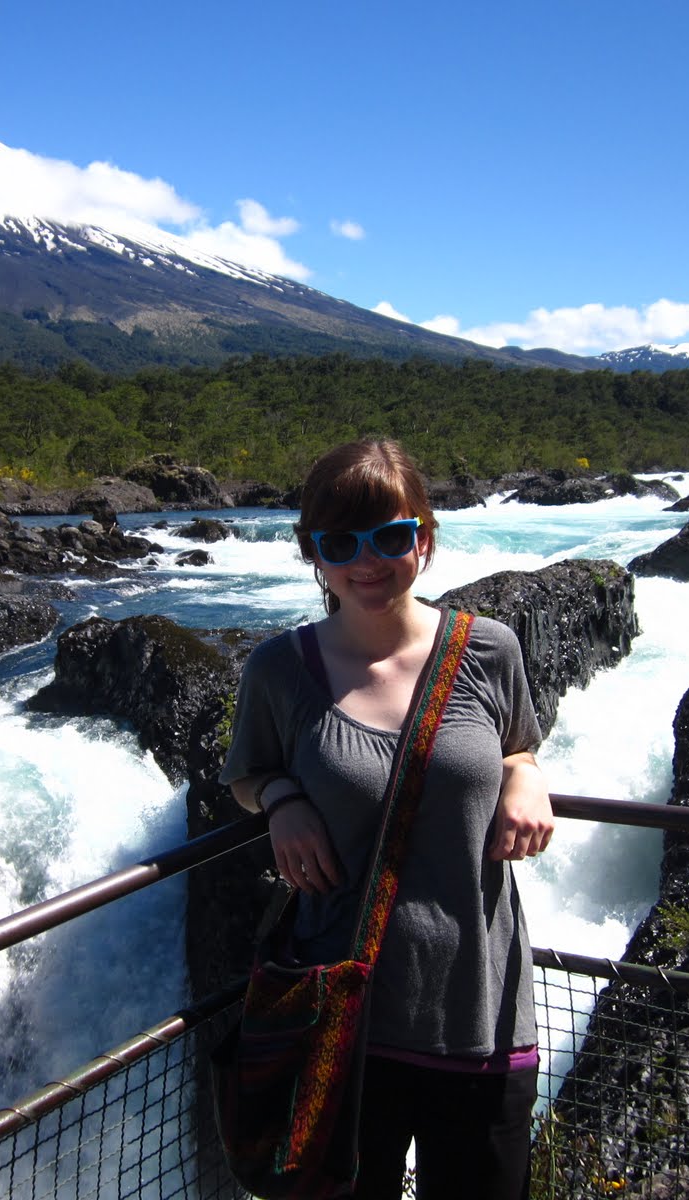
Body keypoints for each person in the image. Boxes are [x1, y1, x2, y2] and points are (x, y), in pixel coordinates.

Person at [221, 438, 554, 1199]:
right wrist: (281, 801)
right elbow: (248, 772)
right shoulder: (279, 670)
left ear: (424, 540)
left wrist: (526, 774)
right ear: (311, 550)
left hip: (479, 1012)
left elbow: (519, 747)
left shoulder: (489, 651)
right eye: (339, 542)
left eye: (390, 537)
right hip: (342, 1022)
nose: (365, 562)